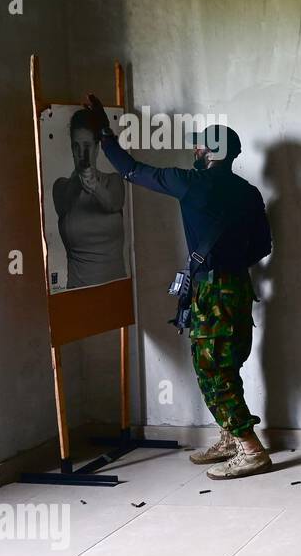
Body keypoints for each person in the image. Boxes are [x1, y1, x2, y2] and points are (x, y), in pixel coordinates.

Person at [83, 95, 274, 480]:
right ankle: (229, 437)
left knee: (211, 371)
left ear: (213, 152)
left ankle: (250, 447)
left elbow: (131, 170)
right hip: (239, 289)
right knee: (228, 363)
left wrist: (105, 133)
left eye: (200, 144)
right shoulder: (250, 193)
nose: (195, 149)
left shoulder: (190, 183)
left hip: (211, 293)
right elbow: (263, 247)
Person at [52, 108, 126, 289]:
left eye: (86, 146)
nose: (80, 152)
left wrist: (95, 187)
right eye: (76, 146)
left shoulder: (113, 181)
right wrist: (79, 181)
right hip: (79, 292)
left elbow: (113, 203)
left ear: (97, 148)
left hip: (117, 290)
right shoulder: (61, 187)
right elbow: (65, 203)